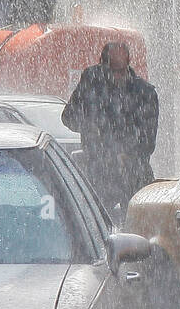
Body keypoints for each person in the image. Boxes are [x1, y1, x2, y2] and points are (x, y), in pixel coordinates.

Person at [63, 42, 160, 217]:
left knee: (137, 227)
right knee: (94, 225)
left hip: (132, 174)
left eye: (121, 71)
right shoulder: (91, 84)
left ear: (128, 65)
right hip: (99, 173)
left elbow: (148, 142)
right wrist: (91, 126)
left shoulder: (145, 93)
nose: (116, 77)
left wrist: (125, 153)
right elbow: (68, 117)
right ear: (102, 65)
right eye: (112, 71)